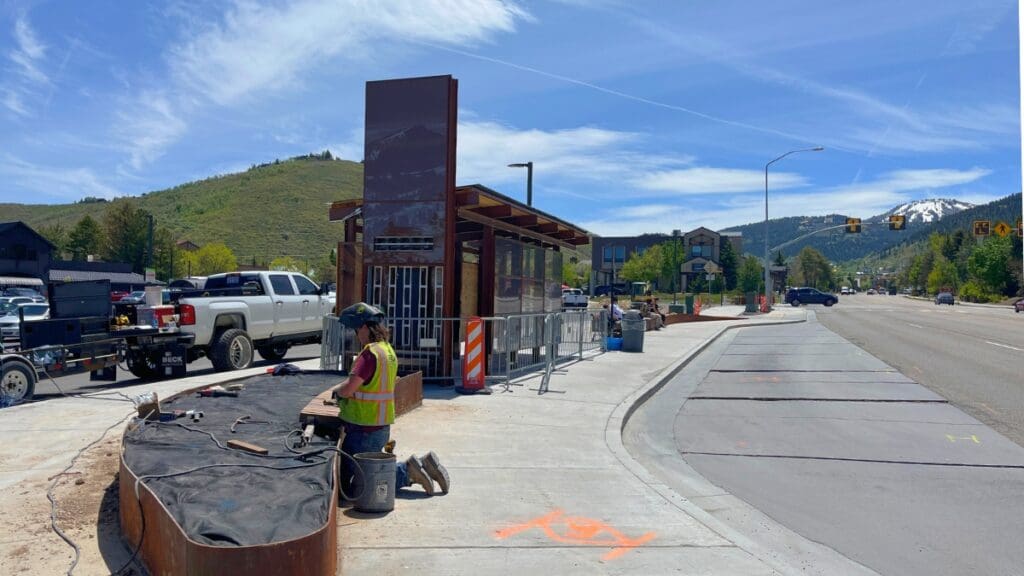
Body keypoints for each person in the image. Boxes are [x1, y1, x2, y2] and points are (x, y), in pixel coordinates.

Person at [331, 302, 449, 497]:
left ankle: (407, 471)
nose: (356, 335)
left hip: (362, 427)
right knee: (363, 472)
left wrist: (338, 391)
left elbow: (350, 388)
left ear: (364, 327)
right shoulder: (387, 351)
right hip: (379, 424)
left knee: (359, 487)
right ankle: (424, 464)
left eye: (356, 329)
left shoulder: (369, 354)